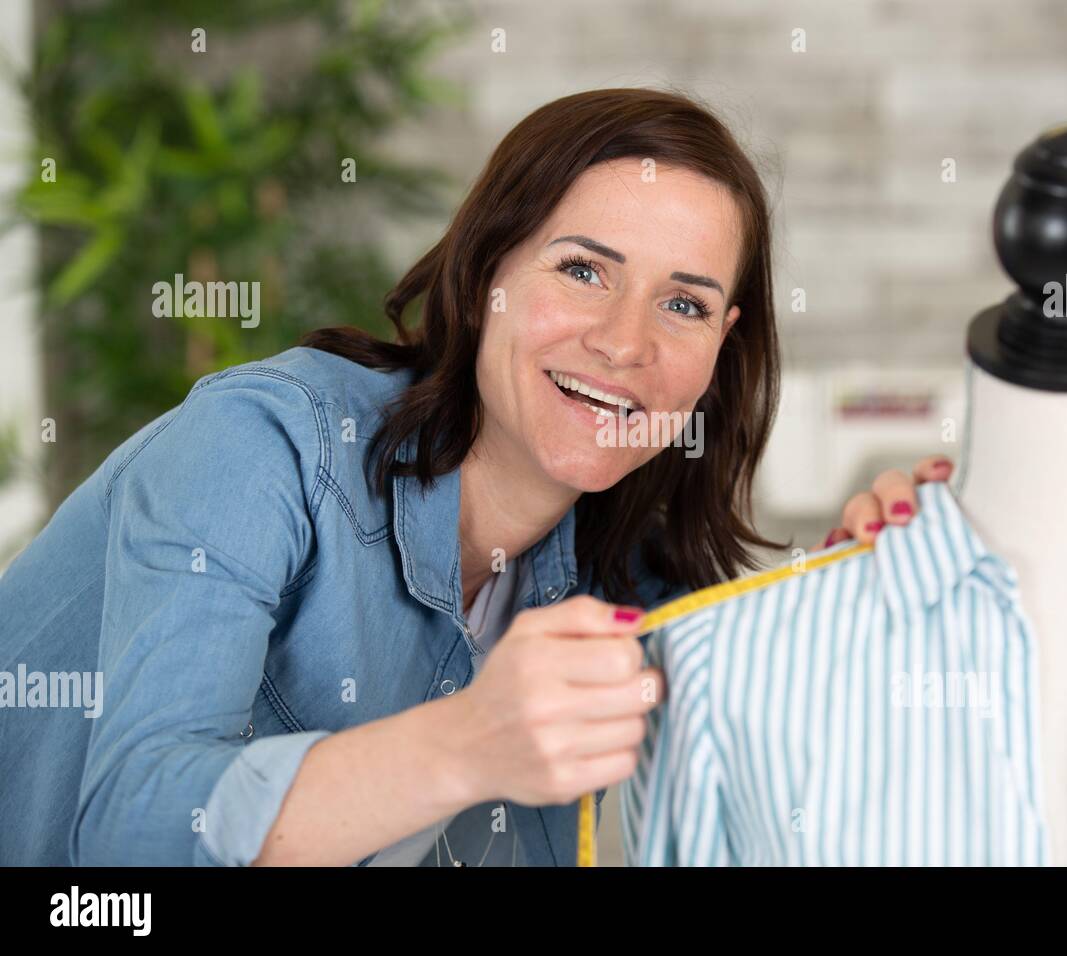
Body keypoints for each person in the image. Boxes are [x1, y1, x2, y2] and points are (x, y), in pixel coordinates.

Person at [0, 87, 951, 866]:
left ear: (722, 347)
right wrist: (466, 743)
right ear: (486, 268)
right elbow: (129, 844)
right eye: (583, 271)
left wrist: (858, 612)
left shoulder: (628, 585)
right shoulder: (259, 446)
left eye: (685, 304)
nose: (626, 343)